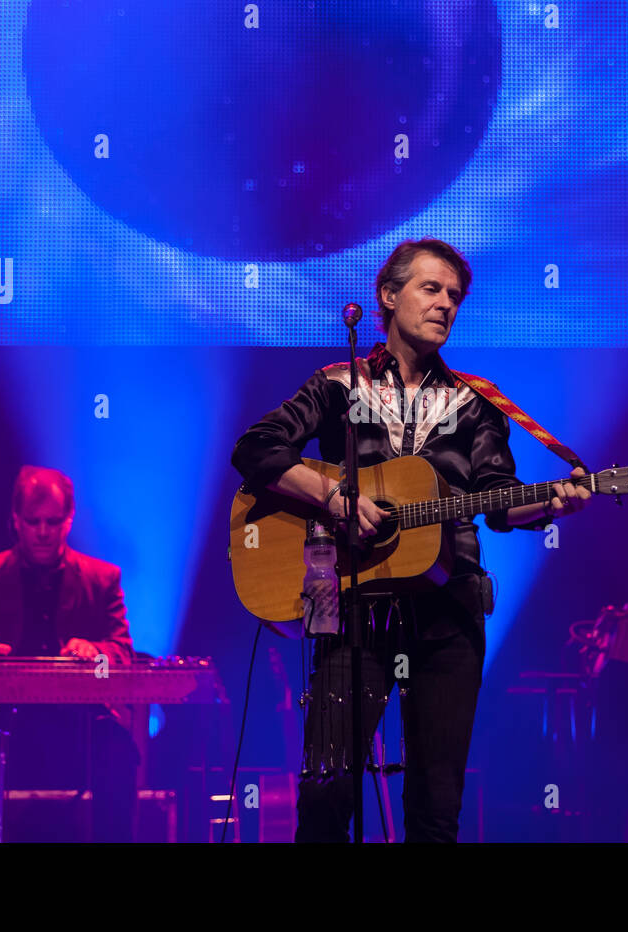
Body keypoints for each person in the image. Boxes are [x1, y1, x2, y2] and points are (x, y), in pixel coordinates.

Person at [231, 238, 591, 842]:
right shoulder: (338, 385)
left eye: (455, 296)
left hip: (447, 614)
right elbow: (255, 449)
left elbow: (501, 503)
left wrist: (551, 504)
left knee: (435, 805)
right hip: (350, 608)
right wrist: (333, 497)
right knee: (325, 795)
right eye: (431, 289)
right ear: (388, 296)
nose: (446, 304)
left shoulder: (477, 402)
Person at [0, 465, 138, 842]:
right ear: (16, 520)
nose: (43, 532)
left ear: (69, 520)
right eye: (33, 521)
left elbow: (123, 651)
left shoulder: (102, 577)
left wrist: (96, 650)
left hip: (78, 723)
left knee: (119, 749)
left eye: (53, 521)